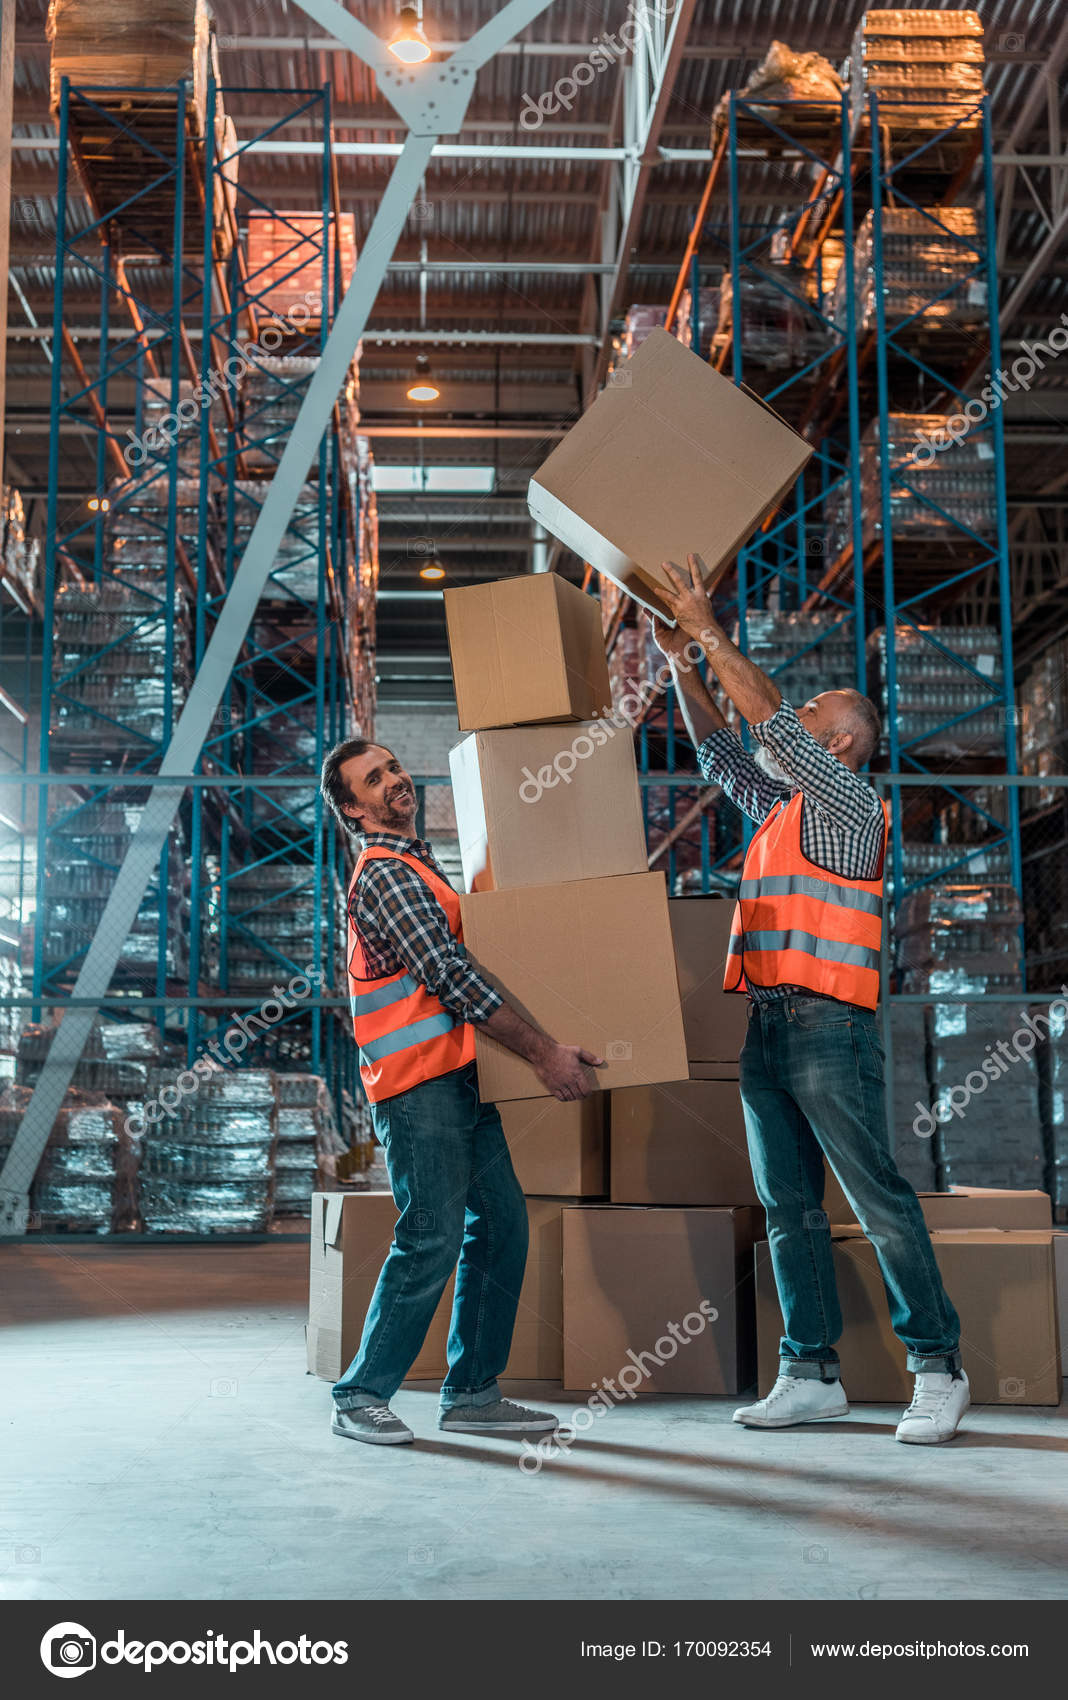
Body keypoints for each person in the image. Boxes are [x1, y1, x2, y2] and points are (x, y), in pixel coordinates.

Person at [653, 555, 969, 1445]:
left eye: (810, 713)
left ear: (838, 745)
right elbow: (723, 750)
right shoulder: (785, 810)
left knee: (876, 1199)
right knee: (788, 1206)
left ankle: (939, 1367)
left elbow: (767, 728)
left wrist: (708, 628)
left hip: (831, 1028)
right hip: (769, 1028)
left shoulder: (849, 804)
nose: (792, 714)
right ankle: (809, 1373)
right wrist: (681, 662)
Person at [319, 736, 604, 1446]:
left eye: (392, 767)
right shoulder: (386, 874)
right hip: (417, 1089)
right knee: (430, 1236)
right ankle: (359, 1395)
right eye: (373, 780)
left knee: (502, 1225)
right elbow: (449, 975)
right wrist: (543, 1054)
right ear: (354, 809)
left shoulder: (420, 864)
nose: (394, 780)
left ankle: (472, 1393)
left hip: (458, 1081)